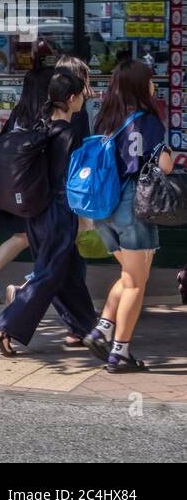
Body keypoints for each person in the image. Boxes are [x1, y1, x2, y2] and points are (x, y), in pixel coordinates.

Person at [0, 71, 96, 355]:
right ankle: (5, 326)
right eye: (82, 93)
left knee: (67, 271)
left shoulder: (41, 126)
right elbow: (68, 180)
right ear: (71, 99)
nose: (85, 97)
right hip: (58, 213)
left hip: (36, 212)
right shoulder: (68, 134)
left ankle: (87, 327)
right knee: (49, 273)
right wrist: (84, 217)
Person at [83, 60, 173, 373]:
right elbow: (164, 166)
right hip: (132, 205)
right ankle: (119, 352)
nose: (153, 86)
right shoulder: (147, 121)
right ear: (139, 85)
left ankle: (103, 329)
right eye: (150, 81)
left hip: (102, 209)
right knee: (136, 282)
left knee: (131, 276)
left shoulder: (103, 118)